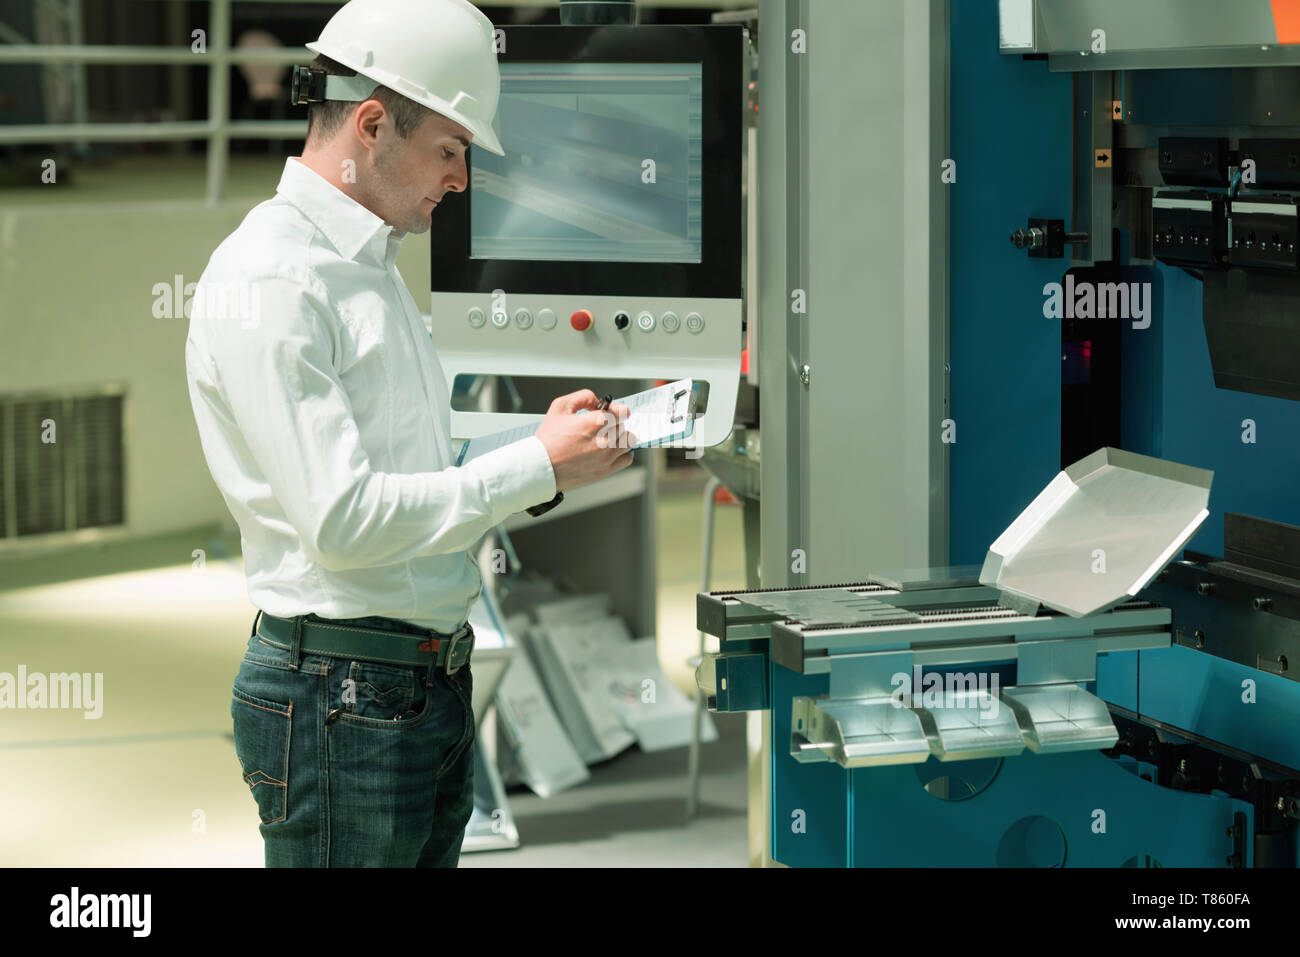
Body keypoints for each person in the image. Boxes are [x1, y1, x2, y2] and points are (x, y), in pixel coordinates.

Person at [184, 0, 635, 867]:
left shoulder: (369, 267)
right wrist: (534, 465)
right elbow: (345, 521)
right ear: (372, 123)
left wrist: (541, 451)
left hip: (412, 683)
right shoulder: (276, 278)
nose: (462, 178)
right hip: (341, 700)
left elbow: (417, 466)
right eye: (450, 150)